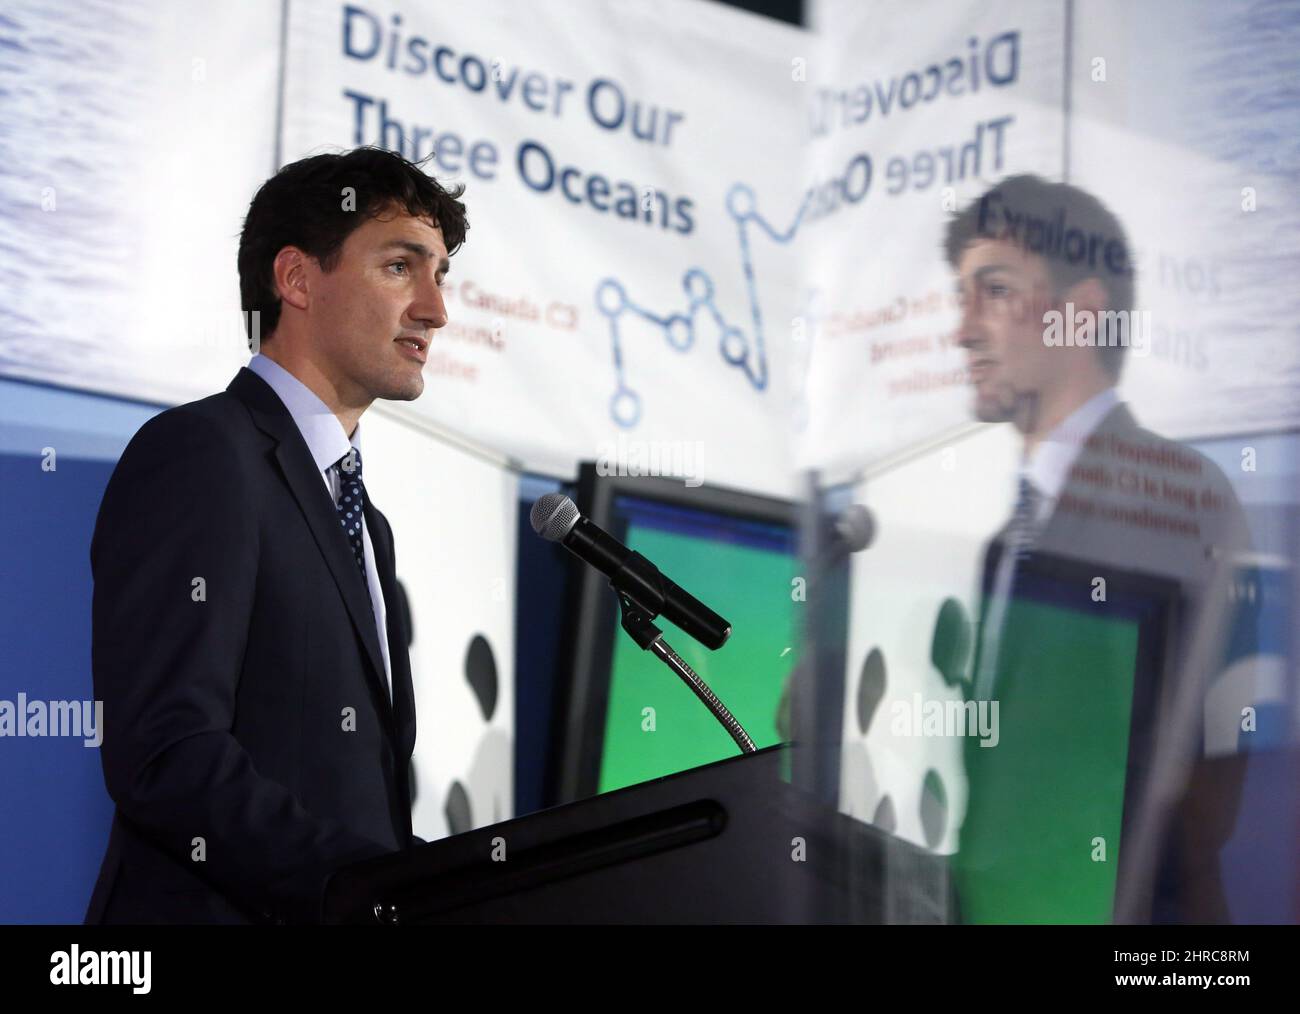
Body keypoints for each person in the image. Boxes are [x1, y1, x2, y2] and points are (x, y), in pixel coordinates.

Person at [84, 146, 468, 924]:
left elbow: (351, 792)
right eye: (401, 267)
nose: (435, 309)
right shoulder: (202, 454)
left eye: (441, 277)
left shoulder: (368, 523)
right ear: (295, 279)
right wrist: (366, 888)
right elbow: (168, 752)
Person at [945, 175, 1250, 923]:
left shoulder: (1177, 499)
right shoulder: (1004, 544)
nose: (964, 328)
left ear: (1078, 316)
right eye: (963, 296)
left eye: (995, 290)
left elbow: (1196, 816)